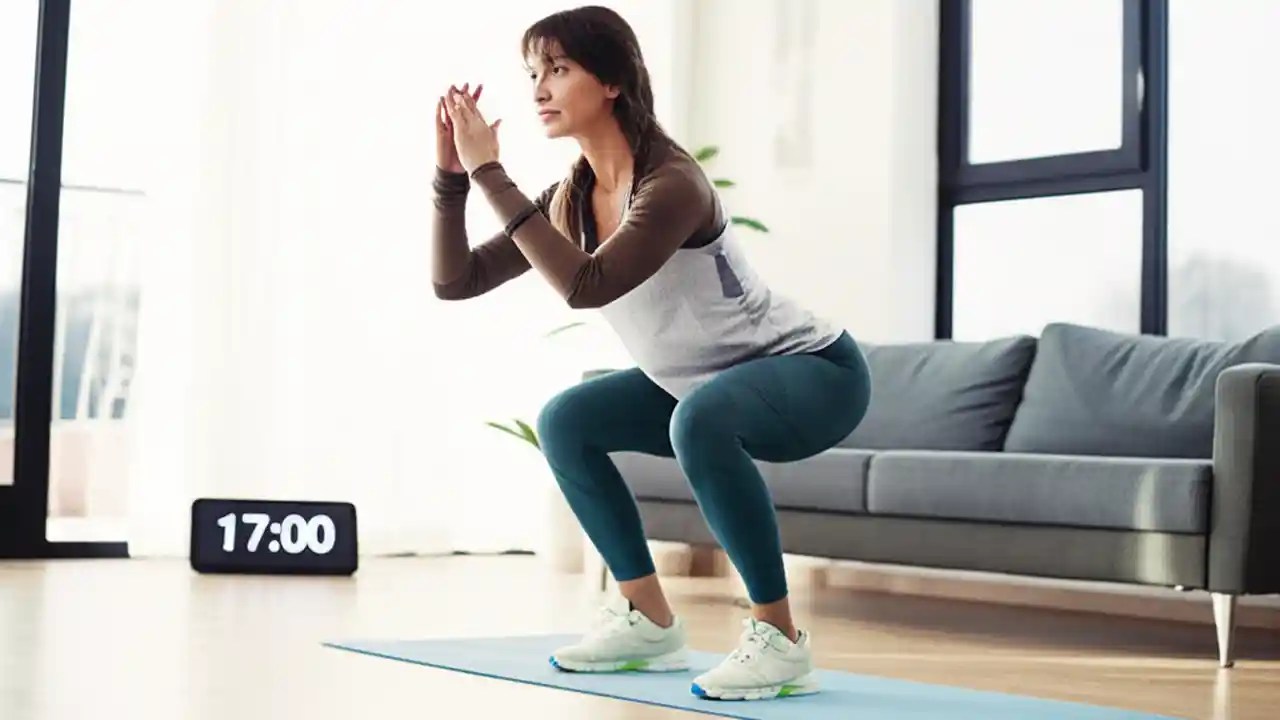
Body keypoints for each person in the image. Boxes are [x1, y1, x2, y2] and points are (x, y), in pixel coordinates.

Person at [432, 5, 871, 702]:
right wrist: (453, 176)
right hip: (700, 386)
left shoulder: (672, 185)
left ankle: (781, 641)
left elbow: (587, 285)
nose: (539, 88)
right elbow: (456, 281)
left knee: (700, 417)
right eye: (533, 73)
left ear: (611, 81)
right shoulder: (571, 198)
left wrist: (491, 171)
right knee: (567, 421)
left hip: (818, 375)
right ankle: (647, 620)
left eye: (558, 69)